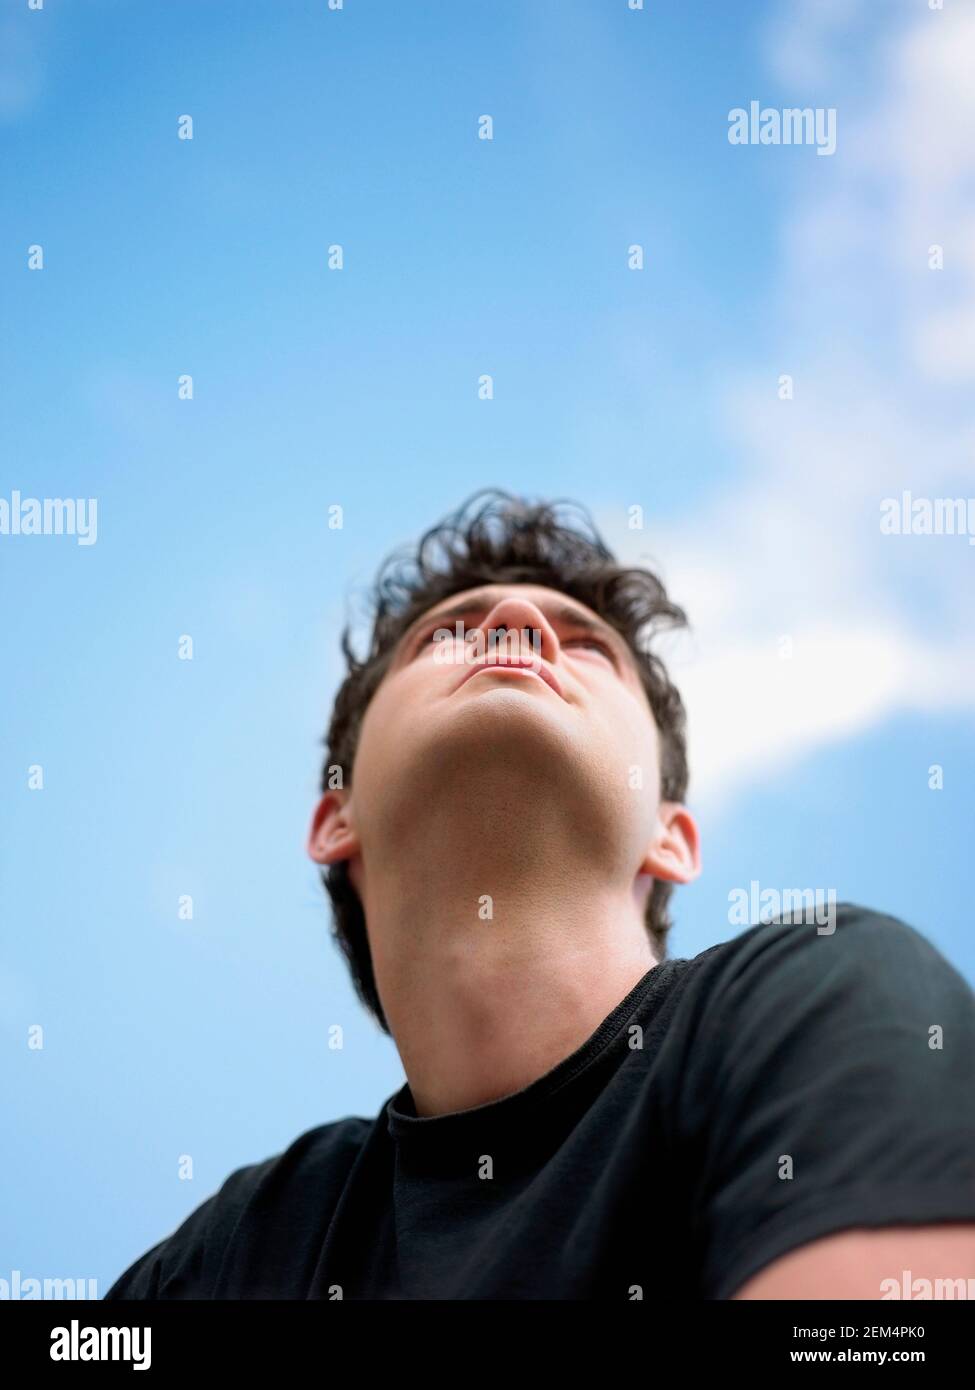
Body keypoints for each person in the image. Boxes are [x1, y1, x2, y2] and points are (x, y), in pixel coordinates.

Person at [105, 489, 975, 1300]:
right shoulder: (240, 1253)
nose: (515, 623)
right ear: (336, 815)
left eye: (590, 645)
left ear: (670, 837)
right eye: (445, 634)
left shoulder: (821, 999)